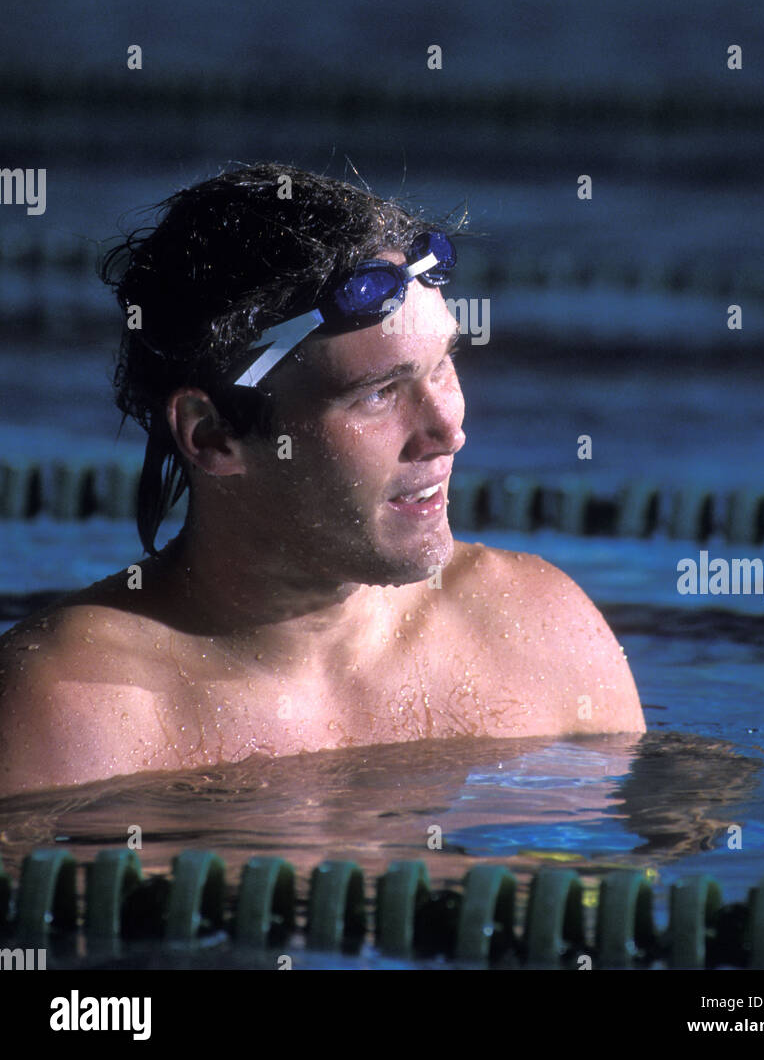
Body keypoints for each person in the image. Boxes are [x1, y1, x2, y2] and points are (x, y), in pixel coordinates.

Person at [0, 163, 645, 794]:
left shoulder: (542, 632)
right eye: (379, 394)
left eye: (442, 366)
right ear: (213, 435)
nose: (448, 429)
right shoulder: (70, 714)